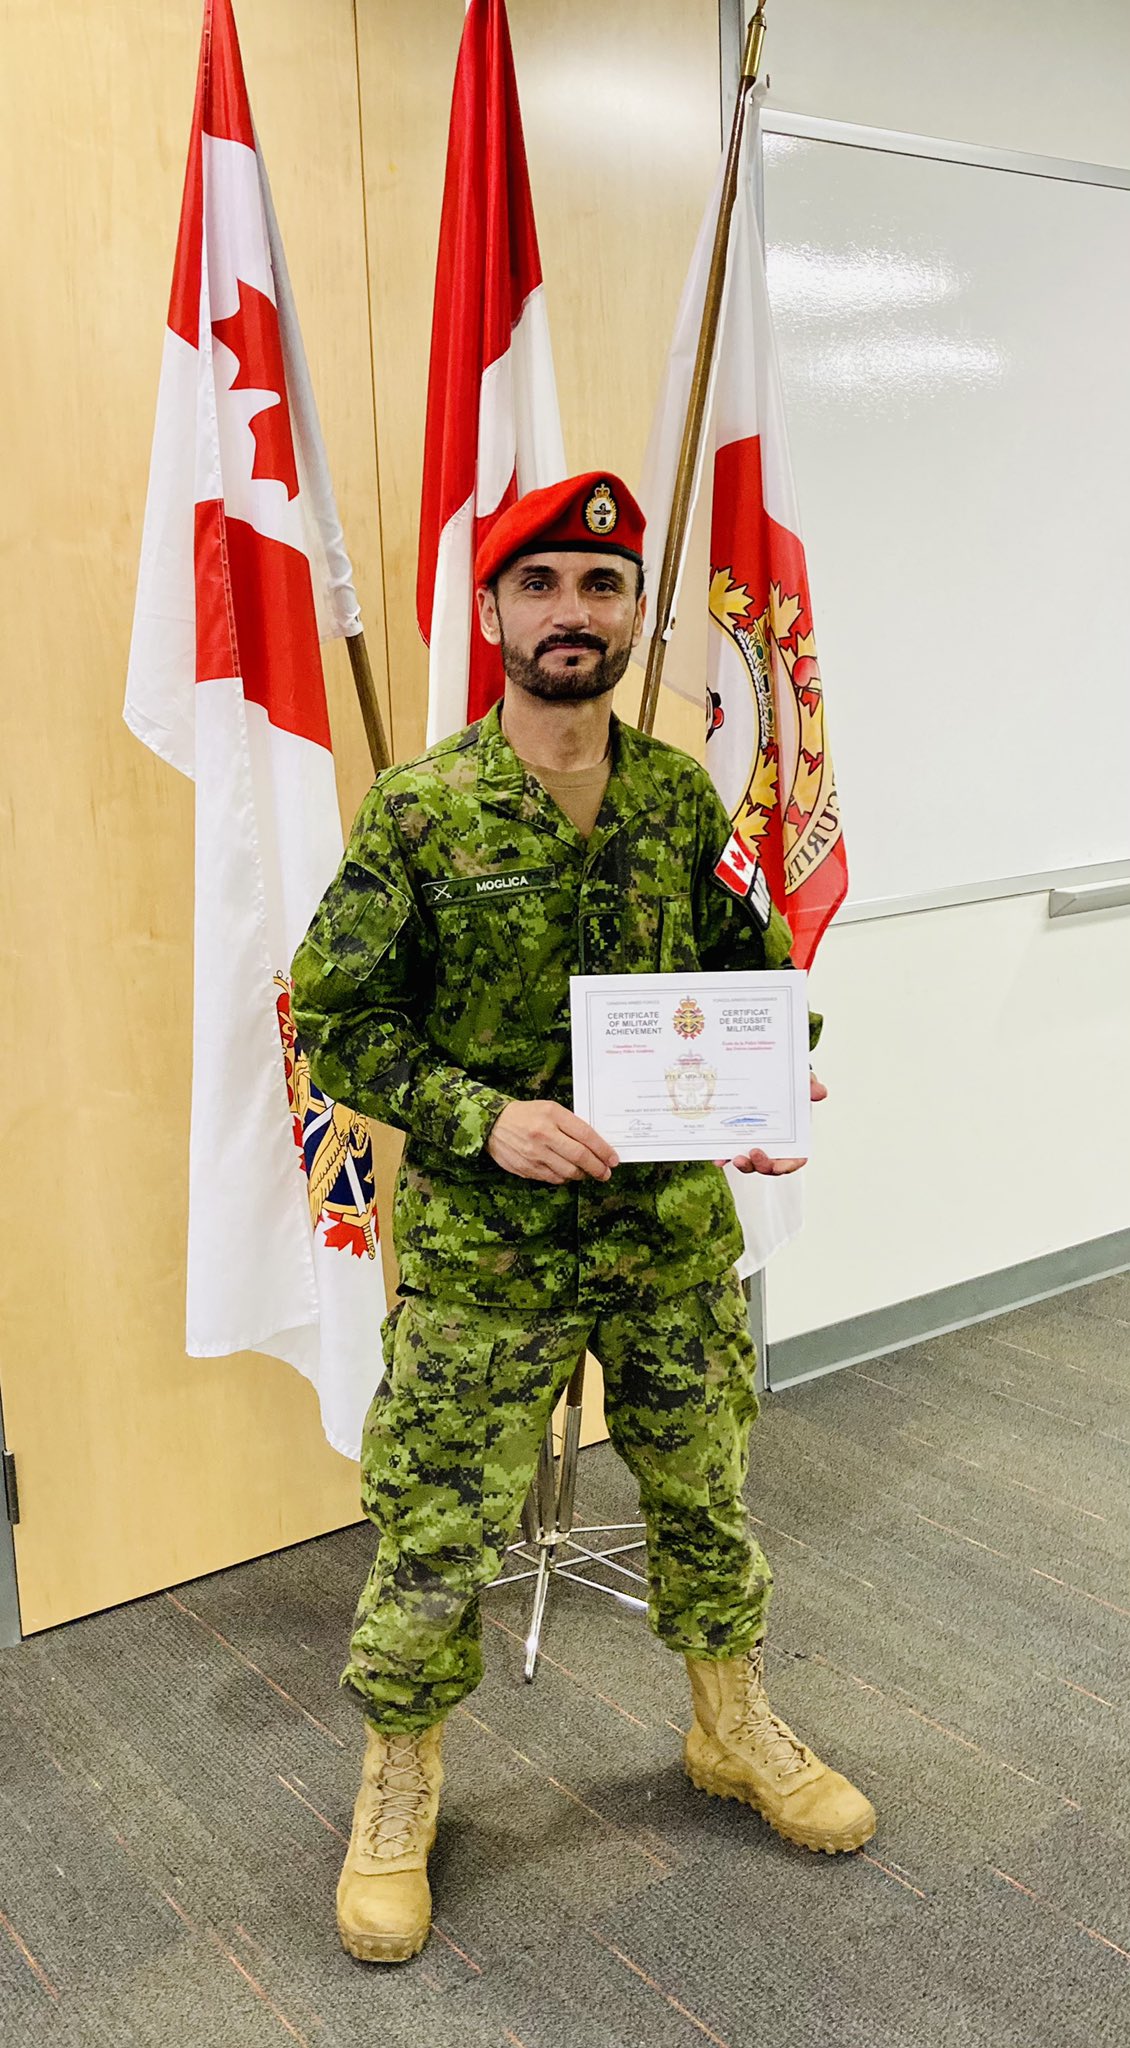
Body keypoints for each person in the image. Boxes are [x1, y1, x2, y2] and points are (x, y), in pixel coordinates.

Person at [291, 472, 875, 1966]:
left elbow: (750, 990)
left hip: (664, 1243)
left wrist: (769, 1095)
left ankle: (727, 1727)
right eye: (541, 585)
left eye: (600, 589)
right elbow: (338, 1025)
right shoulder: (423, 810)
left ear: (630, 619)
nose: (573, 613)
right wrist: (481, 1115)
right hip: (487, 1261)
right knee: (434, 1530)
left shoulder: (678, 795)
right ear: (492, 613)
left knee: (704, 1498)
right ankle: (398, 1784)